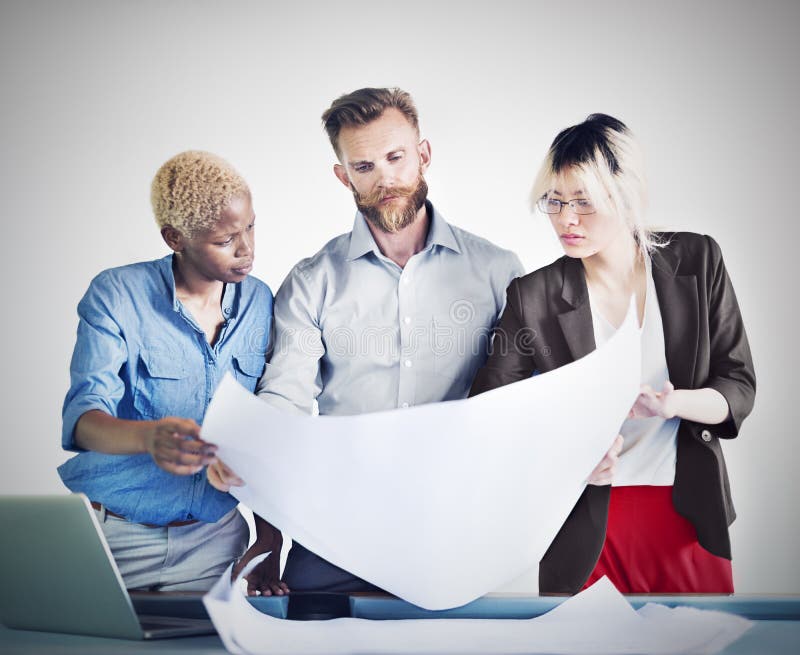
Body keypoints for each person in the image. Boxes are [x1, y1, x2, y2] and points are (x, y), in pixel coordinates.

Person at [208, 88, 621, 596]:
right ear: (343, 176)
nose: (385, 179)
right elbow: (285, 399)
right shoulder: (312, 281)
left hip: (464, 537)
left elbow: (529, 399)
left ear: (423, 155)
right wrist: (253, 447)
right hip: (338, 536)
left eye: (396, 158)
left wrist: (579, 445)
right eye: (363, 166)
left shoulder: (497, 271)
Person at [470, 114, 756, 594]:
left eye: (584, 201)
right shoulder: (532, 295)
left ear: (624, 197)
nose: (566, 218)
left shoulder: (698, 260)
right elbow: (488, 412)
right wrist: (565, 460)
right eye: (555, 201)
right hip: (583, 522)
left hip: (687, 517)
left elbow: (738, 384)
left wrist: (674, 404)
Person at [58, 151, 273, 591]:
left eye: (250, 226)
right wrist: (147, 438)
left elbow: (271, 428)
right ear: (176, 238)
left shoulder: (260, 302)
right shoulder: (117, 293)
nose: (247, 248)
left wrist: (269, 539)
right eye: (225, 239)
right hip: (117, 541)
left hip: (217, 543)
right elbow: (82, 419)